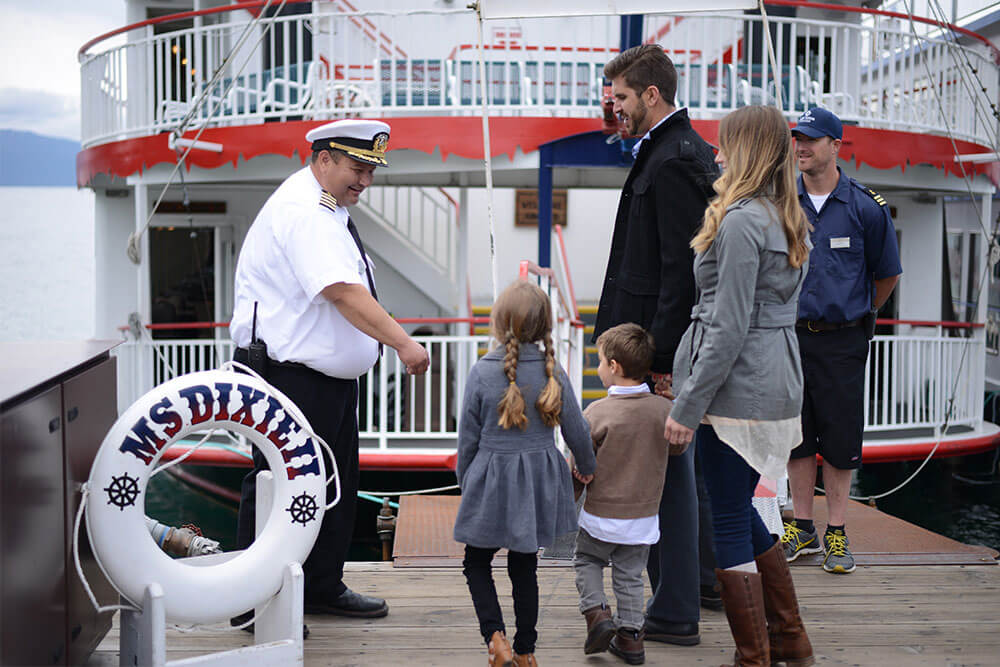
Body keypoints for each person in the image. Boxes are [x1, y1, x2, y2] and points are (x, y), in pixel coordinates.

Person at [229, 119, 430, 622]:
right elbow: (341, 291)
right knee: (280, 484)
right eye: (357, 168)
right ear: (324, 160)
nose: (365, 180)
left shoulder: (327, 205)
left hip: (322, 379)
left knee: (329, 485)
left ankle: (319, 585)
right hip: (289, 376)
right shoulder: (306, 213)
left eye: (371, 170)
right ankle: (250, 601)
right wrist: (403, 342)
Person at [665, 104, 815, 667]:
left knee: (726, 515)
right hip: (775, 378)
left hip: (736, 387)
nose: (717, 151)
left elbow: (727, 327)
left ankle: (754, 656)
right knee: (738, 503)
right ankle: (789, 639)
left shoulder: (740, 221)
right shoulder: (786, 215)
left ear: (747, 149)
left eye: (726, 142)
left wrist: (686, 406)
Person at [593, 43, 720, 645]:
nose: (613, 107)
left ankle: (673, 611)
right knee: (678, 476)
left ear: (651, 94)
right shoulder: (664, 151)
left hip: (659, 354)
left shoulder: (674, 160)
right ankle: (698, 588)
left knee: (669, 482)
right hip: (650, 346)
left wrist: (659, 361)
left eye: (621, 97)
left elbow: (682, 272)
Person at [782, 107, 901, 574]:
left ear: (835, 146)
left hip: (842, 341)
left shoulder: (866, 208)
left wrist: (860, 312)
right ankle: (802, 528)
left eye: (811, 139)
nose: (801, 147)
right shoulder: (782, 202)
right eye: (798, 139)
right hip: (791, 338)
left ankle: (836, 532)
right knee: (796, 437)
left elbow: (887, 275)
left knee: (839, 439)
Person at [453, 280, 597, 667]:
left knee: (476, 562)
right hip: (537, 480)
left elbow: (467, 439)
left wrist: (467, 483)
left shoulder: (482, 372)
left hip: (491, 478)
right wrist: (587, 466)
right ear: (545, 325)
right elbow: (577, 430)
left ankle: (495, 638)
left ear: (500, 322)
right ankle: (526, 650)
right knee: (524, 565)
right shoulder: (553, 371)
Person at [573, 323, 685, 665]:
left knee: (587, 559)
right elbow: (678, 448)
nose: (598, 368)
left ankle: (597, 613)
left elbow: (581, 463)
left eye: (600, 361)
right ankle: (632, 638)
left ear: (614, 366)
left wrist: (569, 495)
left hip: (601, 514)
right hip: (642, 517)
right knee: (630, 574)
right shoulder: (663, 411)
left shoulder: (597, 412)